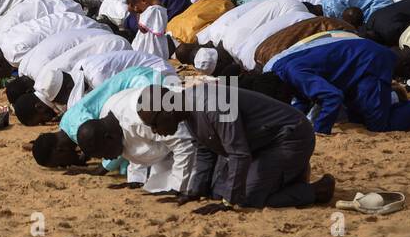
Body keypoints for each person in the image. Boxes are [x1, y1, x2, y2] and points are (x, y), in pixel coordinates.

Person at [136, 82, 336, 211]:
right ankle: (286, 175)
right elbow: (205, 151)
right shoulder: (187, 110)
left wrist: (228, 203)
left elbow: (239, 154)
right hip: (259, 143)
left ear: (167, 111)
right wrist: (194, 191)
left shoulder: (213, 105)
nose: (155, 131)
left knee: (247, 199)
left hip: (290, 137)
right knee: (216, 190)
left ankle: (316, 191)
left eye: (154, 123)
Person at [267, 34, 410, 134]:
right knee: (357, 116)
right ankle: (394, 99)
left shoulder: (293, 74)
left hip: (367, 63)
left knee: (379, 125)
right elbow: (303, 98)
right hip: (356, 62)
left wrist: (320, 130)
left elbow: (331, 96)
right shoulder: (282, 71)